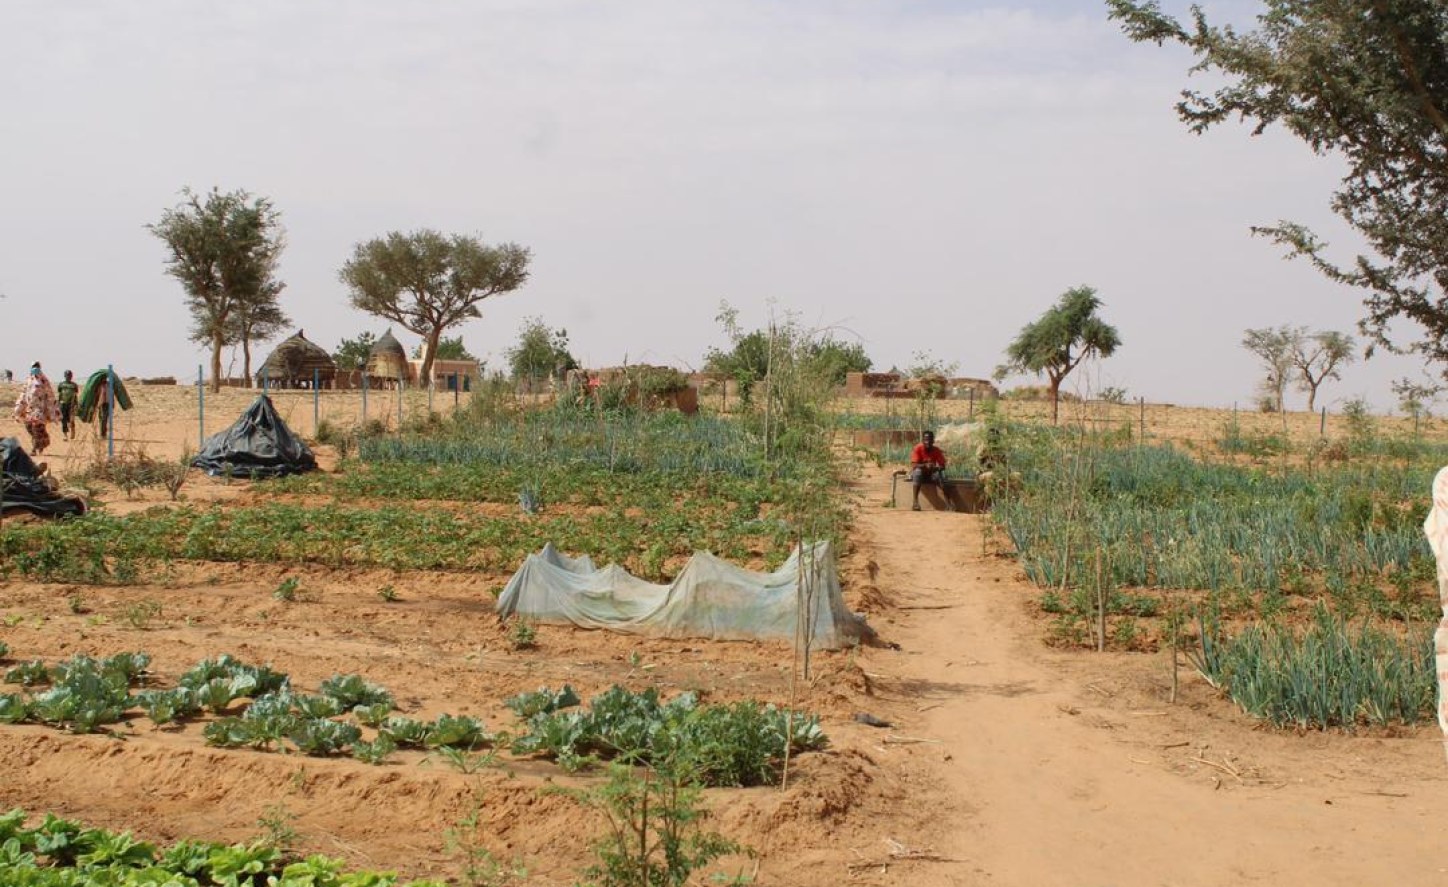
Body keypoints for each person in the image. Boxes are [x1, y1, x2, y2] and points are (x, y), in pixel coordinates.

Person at [12, 362, 60, 456]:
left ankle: (34, 449)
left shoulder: (44, 381)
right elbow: (24, 393)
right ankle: (42, 442)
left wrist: (51, 410)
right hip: (30, 410)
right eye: (34, 367)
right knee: (29, 427)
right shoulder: (29, 380)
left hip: (40, 410)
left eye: (37, 367)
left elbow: (50, 395)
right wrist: (19, 407)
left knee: (36, 428)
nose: (35, 369)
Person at [909, 429, 948, 511]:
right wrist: (924, 465)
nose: (928, 442)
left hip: (931, 474)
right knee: (918, 472)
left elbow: (943, 466)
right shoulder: (918, 449)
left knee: (941, 475)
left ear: (933, 441)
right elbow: (914, 465)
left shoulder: (936, 450)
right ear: (922, 440)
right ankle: (915, 502)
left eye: (930, 440)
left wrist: (935, 468)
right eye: (926, 440)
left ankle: (948, 503)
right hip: (920, 474)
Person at [56, 370, 79, 440]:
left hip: (71, 404)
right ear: (65, 376)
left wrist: (76, 404)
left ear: (71, 376)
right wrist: (58, 404)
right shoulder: (61, 384)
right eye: (67, 375)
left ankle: (72, 430)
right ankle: (65, 435)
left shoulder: (74, 385)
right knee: (63, 420)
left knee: (71, 420)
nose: (68, 377)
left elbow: (75, 395)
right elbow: (60, 394)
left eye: (69, 375)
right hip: (63, 404)